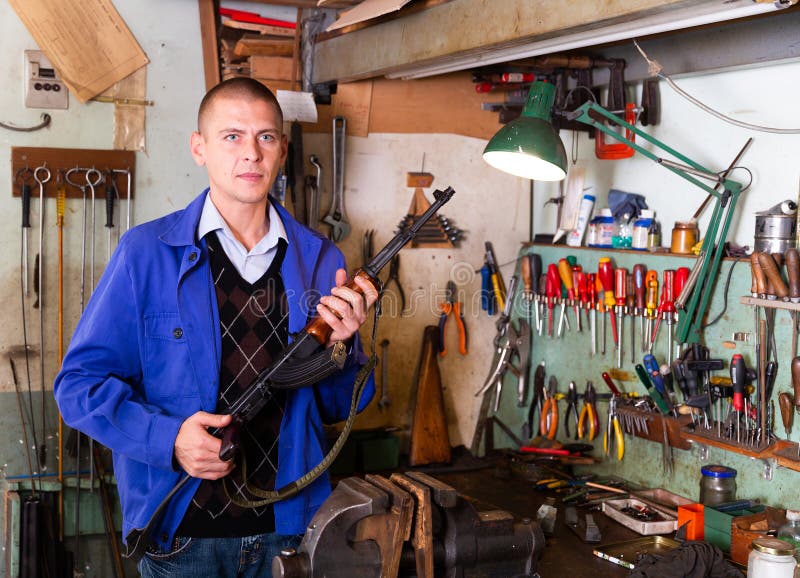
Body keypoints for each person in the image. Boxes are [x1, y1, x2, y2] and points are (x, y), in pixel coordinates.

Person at [54, 77, 378, 577]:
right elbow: (78, 388)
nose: (251, 153)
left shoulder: (321, 259)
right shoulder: (146, 256)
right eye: (232, 136)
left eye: (266, 137)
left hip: (291, 534)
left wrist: (342, 348)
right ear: (199, 148)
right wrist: (169, 441)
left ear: (282, 149)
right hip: (183, 540)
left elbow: (339, 407)